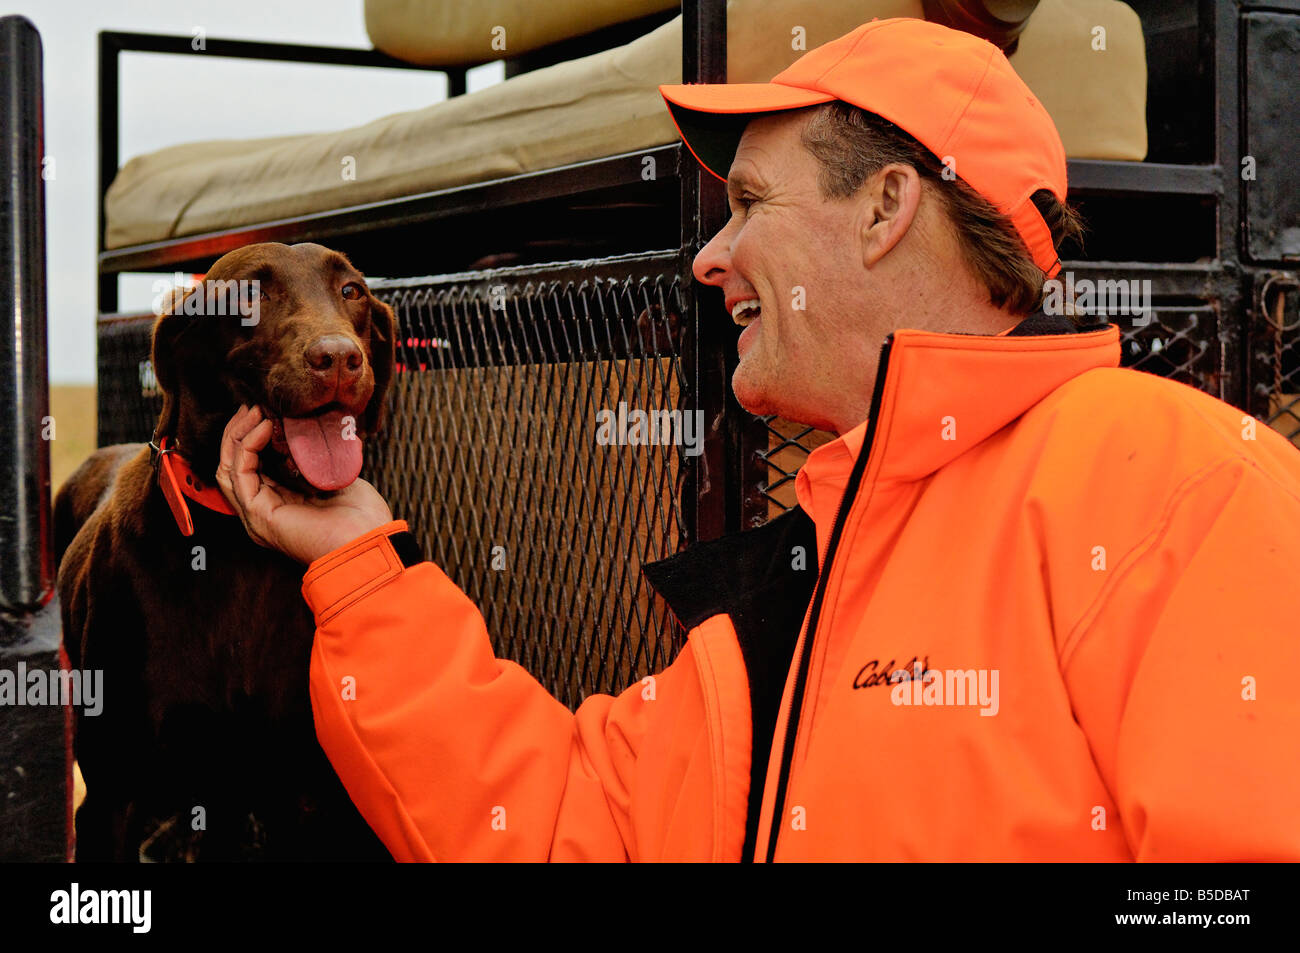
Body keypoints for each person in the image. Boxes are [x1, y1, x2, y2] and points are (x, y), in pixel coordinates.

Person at [216, 18, 1300, 861]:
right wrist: (362, 566)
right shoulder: (794, 575)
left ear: (883, 210)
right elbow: (552, 822)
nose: (708, 256)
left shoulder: (1184, 486)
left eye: (746, 204)